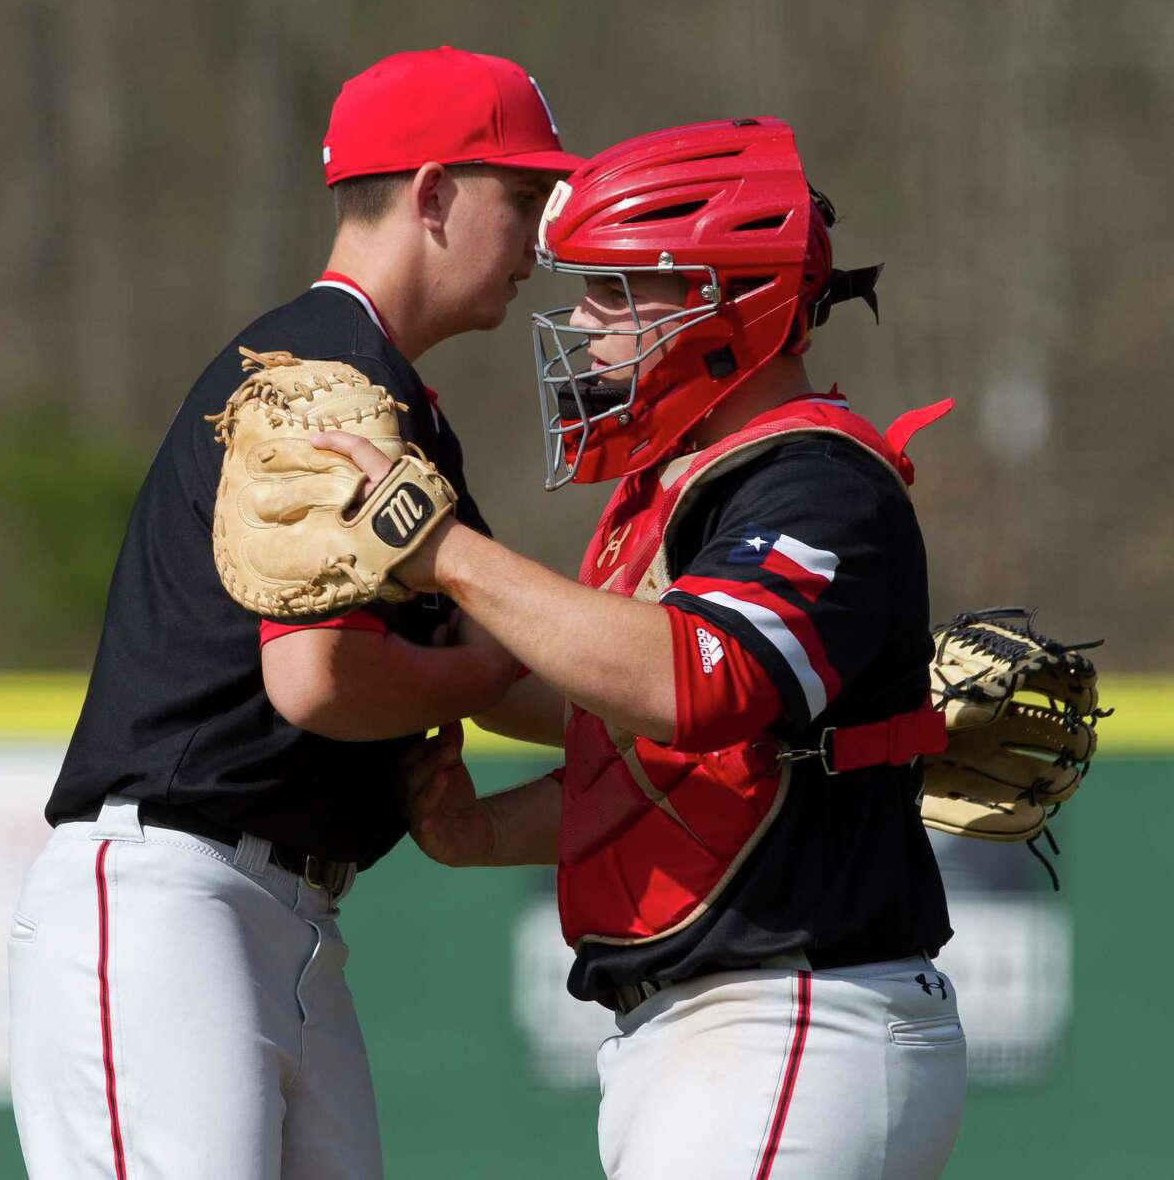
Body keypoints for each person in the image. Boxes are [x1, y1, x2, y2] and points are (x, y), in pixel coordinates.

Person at [321, 118, 968, 1179]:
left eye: (620, 292)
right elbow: (649, 751)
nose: (583, 319)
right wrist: (482, 827)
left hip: (798, 1014)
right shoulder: (679, 489)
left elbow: (698, 685)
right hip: (710, 1036)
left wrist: (444, 553)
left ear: (730, 302)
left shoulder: (819, 481)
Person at [7, 46, 582, 1180]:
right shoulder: (319, 375)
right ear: (431, 194)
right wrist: (470, 684)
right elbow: (316, 677)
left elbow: (511, 660)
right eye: (520, 198)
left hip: (280, 921)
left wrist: (723, 710)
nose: (538, 240)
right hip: (170, 895)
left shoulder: (396, 402)